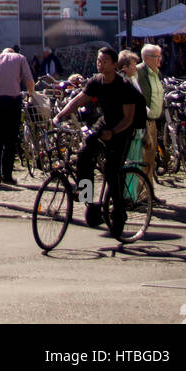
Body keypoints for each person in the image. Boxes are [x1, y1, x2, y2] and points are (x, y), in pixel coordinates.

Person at [53, 47, 139, 239]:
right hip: (105, 123)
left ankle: (118, 215)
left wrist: (113, 132)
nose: (100, 64)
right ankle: (89, 201)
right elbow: (77, 101)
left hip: (122, 130)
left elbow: (129, 118)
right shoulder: (96, 82)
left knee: (111, 170)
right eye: (99, 61)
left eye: (105, 61)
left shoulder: (124, 86)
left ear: (115, 64)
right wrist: (59, 116)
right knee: (84, 155)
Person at [0, 45, 34, 187]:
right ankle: (7, 175)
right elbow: (29, 81)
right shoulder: (19, 58)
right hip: (12, 100)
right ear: (13, 52)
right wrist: (31, 94)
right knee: (11, 138)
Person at [137, 43, 165, 198]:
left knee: (151, 160)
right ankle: (142, 195)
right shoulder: (140, 72)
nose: (159, 60)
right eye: (156, 57)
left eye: (160, 56)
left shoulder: (156, 73)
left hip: (153, 121)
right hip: (144, 121)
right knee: (143, 159)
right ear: (147, 58)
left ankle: (149, 193)